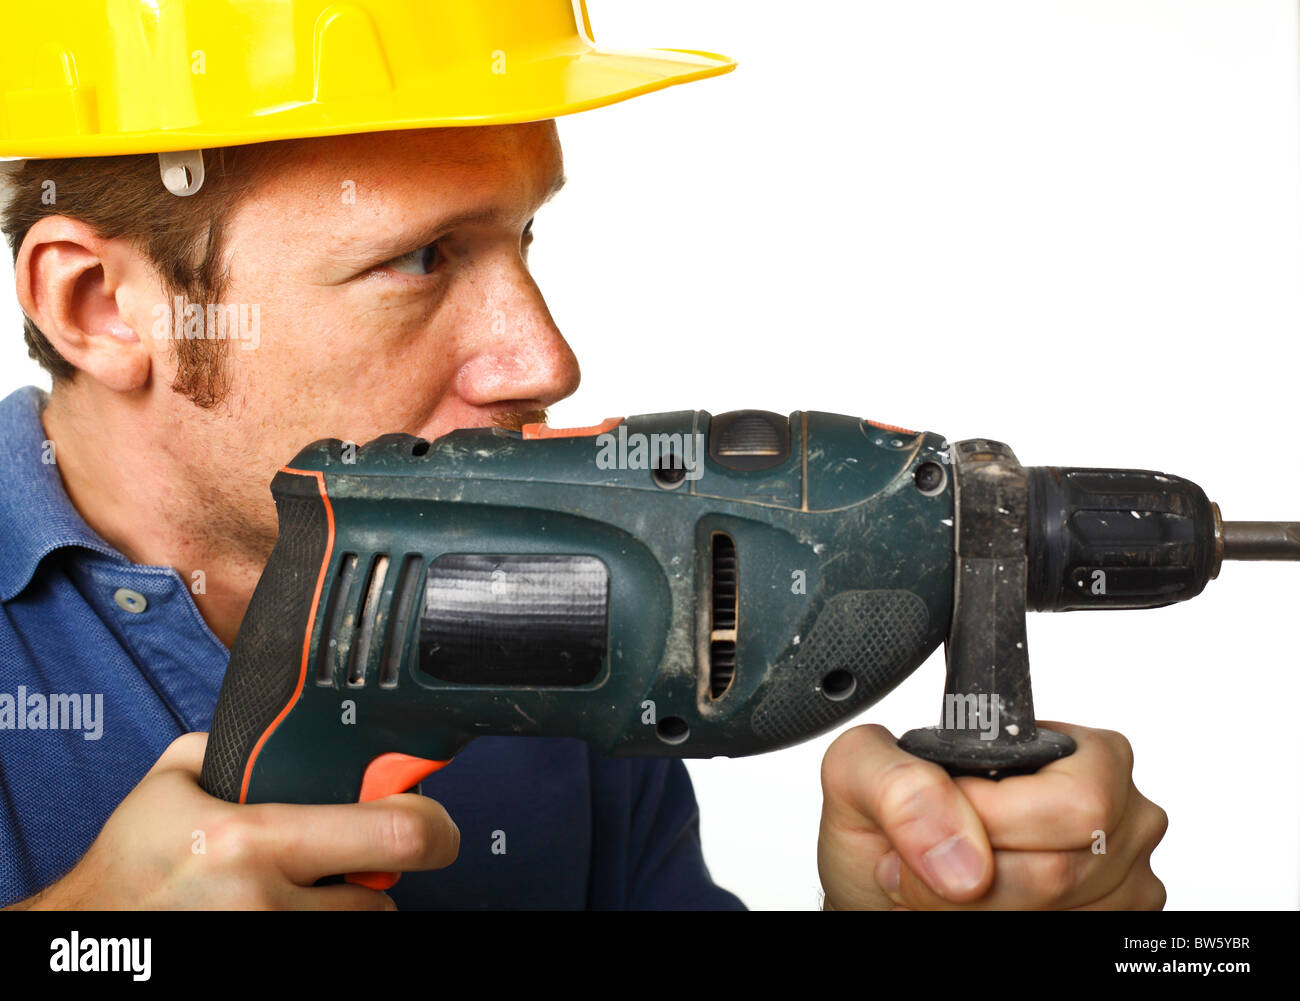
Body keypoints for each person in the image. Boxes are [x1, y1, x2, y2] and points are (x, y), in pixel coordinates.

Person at [0, 0, 1166, 910]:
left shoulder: (552, 609)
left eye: (524, 235)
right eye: (420, 259)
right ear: (101, 304)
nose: (544, 357)